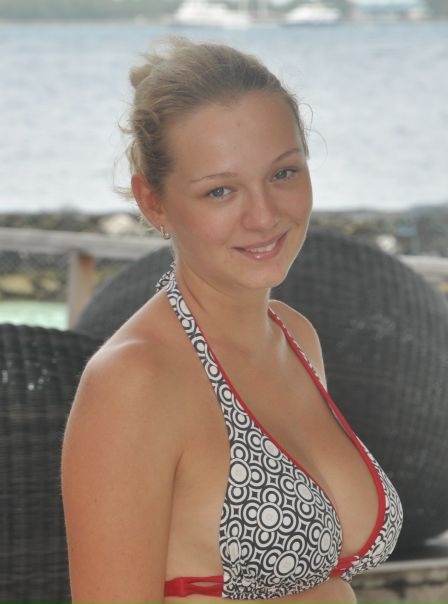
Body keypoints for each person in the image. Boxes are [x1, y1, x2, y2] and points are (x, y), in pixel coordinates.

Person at [61, 37, 403, 604]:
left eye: (283, 173)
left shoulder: (294, 336)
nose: (264, 216)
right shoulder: (134, 381)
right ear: (153, 202)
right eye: (220, 190)